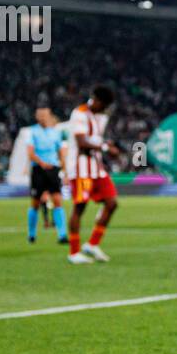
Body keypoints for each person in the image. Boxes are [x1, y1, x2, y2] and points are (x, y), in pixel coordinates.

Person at [65, 85, 121, 263]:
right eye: (103, 105)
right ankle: (74, 252)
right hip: (81, 170)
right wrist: (106, 147)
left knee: (112, 203)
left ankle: (92, 244)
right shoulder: (79, 113)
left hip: (96, 168)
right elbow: (81, 142)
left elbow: (94, 140)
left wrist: (106, 144)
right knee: (79, 207)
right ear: (96, 100)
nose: (105, 109)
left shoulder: (97, 116)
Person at [27, 108, 69, 244]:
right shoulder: (32, 132)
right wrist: (42, 163)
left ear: (49, 116)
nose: (42, 117)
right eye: (39, 115)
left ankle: (62, 235)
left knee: (57, 200)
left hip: (53, 170)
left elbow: (61, 153)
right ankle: (31, 234)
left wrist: (65, 170)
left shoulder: (56, 133)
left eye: (44, 115)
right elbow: (30, 153)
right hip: (39, 169)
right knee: (35, 203)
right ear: (36, 117)